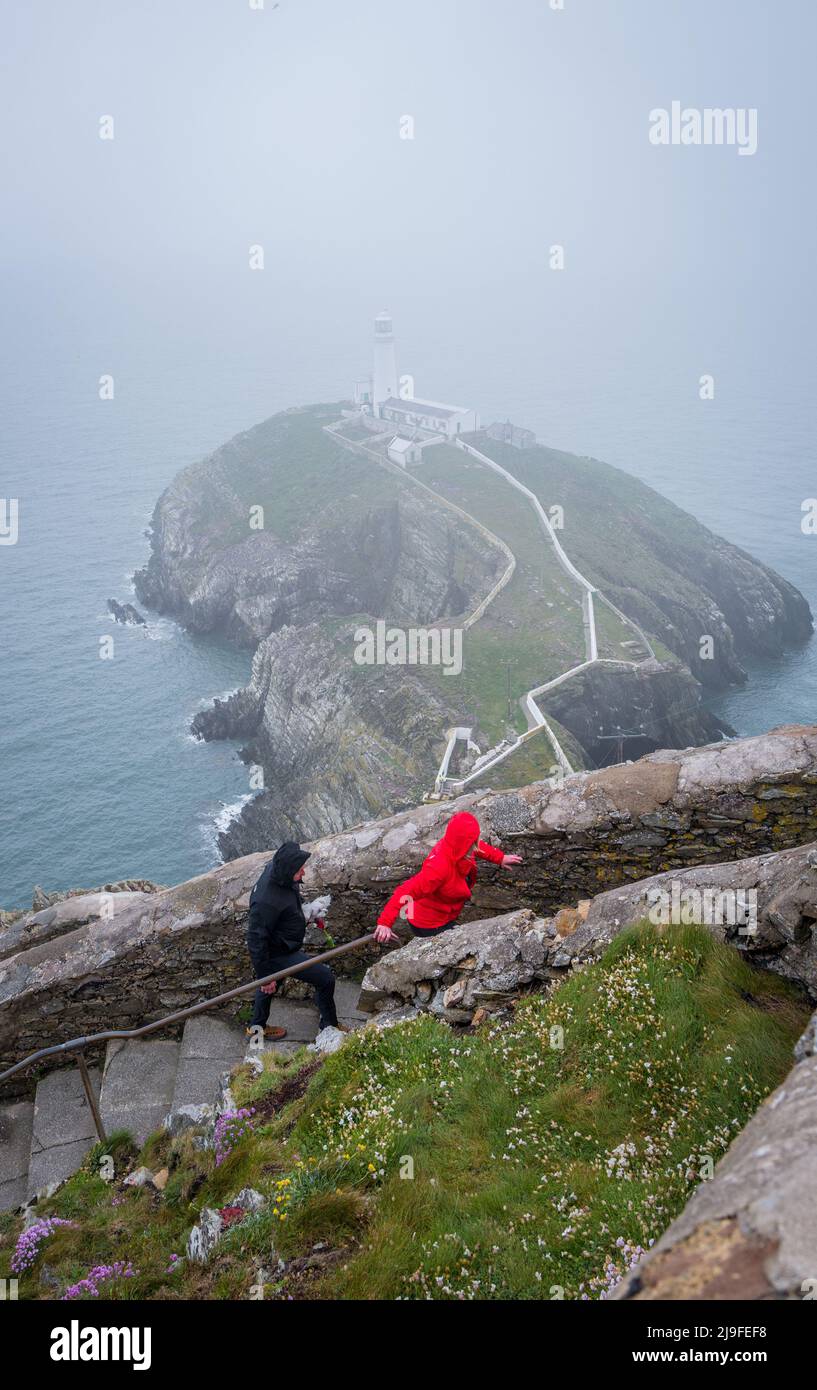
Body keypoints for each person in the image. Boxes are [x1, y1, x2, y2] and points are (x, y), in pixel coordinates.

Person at [373, 810, 522, 944]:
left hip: (442, 912)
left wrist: (500, 858)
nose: (476, 843)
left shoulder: (457, 845)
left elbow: (477, 846)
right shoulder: (438, 868)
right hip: (428, 923)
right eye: (473, 840)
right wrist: (385, 923)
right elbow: (404, 891)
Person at [246, 841, 343, 1039]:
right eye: (300, 870)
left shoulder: (280, 873)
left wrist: (307, 913)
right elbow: (255, 939)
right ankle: (330, 1027)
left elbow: (287, 905)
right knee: (325, 979)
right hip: (278, 953)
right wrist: (265, 975)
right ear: (288, 870)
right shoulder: (265, 901)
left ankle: (255, 1031)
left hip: (281, 944)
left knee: (269, 987)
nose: (303, 873)